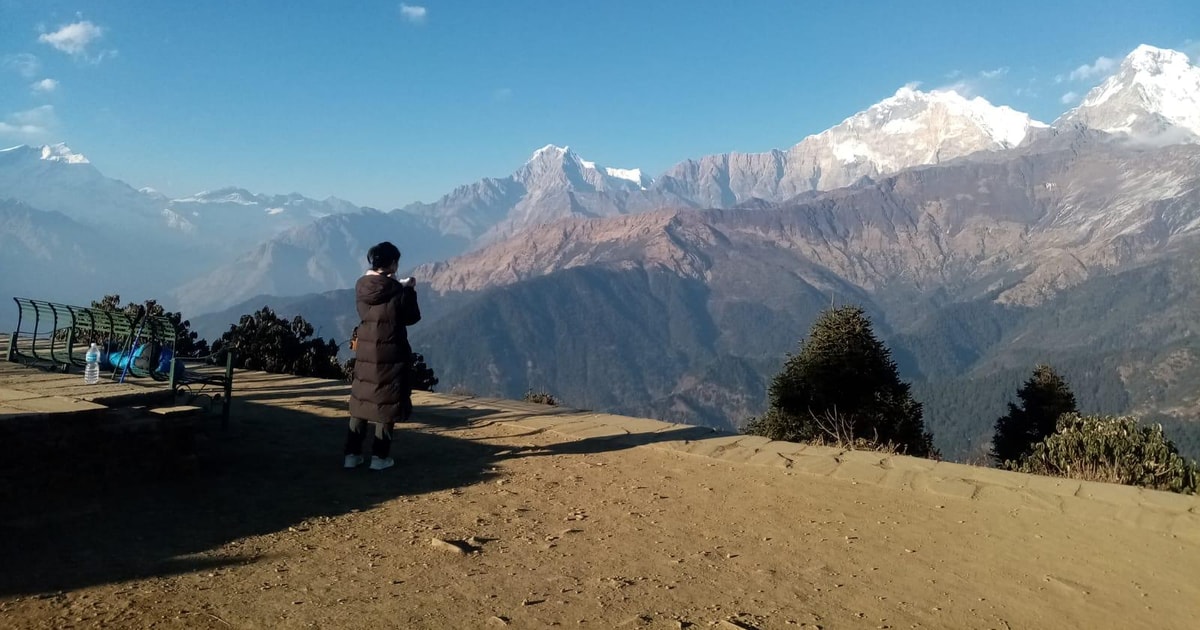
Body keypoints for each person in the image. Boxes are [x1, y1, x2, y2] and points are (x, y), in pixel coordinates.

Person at [345, 241, 421, 471]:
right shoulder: (398, 291)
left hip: (366, 349)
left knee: (362, 398)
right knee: (386, 400)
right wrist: (409, 290)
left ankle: (352, 455)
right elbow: (411, 317)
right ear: (393, 263)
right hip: (390, 350)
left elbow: (378, 298)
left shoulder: (362, 286)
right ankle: (379, 457)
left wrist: (398, 285)